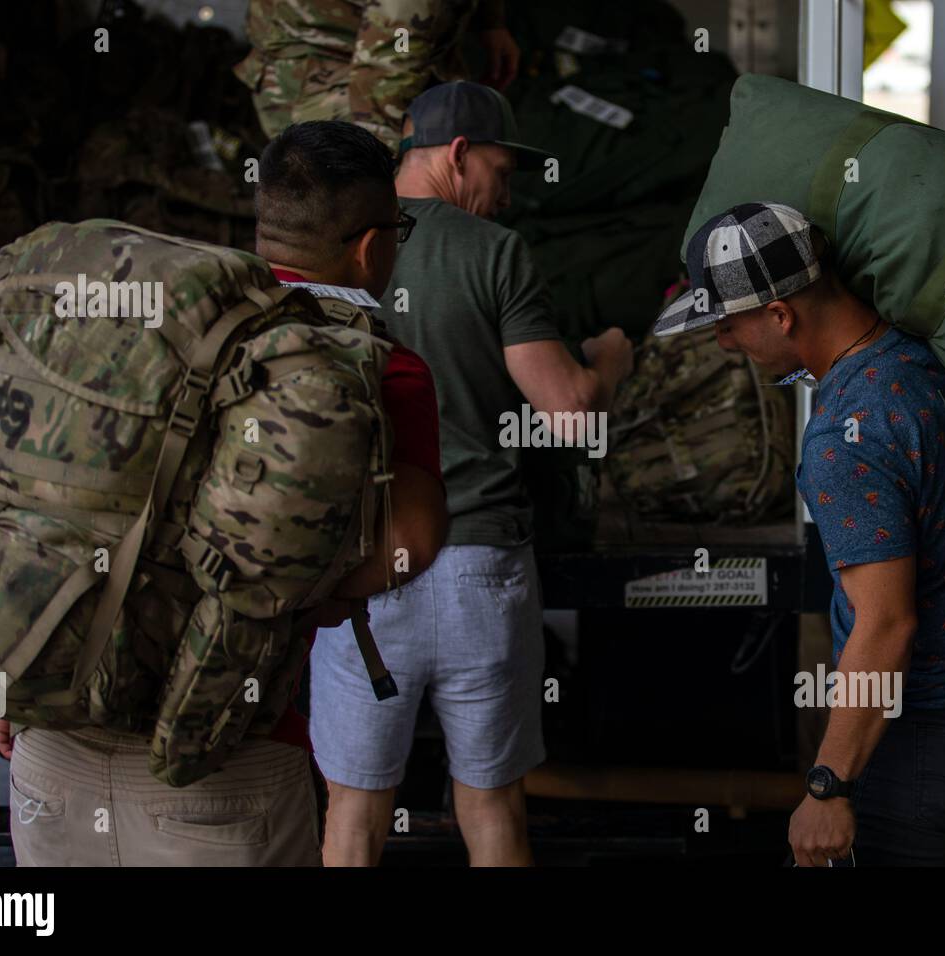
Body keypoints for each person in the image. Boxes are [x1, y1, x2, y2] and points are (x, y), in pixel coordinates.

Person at [0, 120, 449, 867]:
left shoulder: (148, 328)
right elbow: (411, 544)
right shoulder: (373, 367)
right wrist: (307, 585)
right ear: (371, 246)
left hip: (52, 744)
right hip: (219, 763)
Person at [309, 81, 634, 866]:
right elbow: (569, 411)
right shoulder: (496, 252)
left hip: (362, 576)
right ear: (457, 154)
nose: (507, 189)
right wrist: (611, 358)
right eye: (502, 168)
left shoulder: (331, 245)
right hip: (478, 569)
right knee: (491, 809)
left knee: (353, 816)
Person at [652, 202, 945, 866]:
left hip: (928, 718)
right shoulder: (928, 356)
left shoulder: (845, 440)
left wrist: (829, 786)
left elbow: (885, 625)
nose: (722, 343)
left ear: (780, 315)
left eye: (728, 324)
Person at [235, 0, 520, 148]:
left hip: (384, 44)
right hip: (307, 73)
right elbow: (382, 87)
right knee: (352, 187)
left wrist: (490, 22)